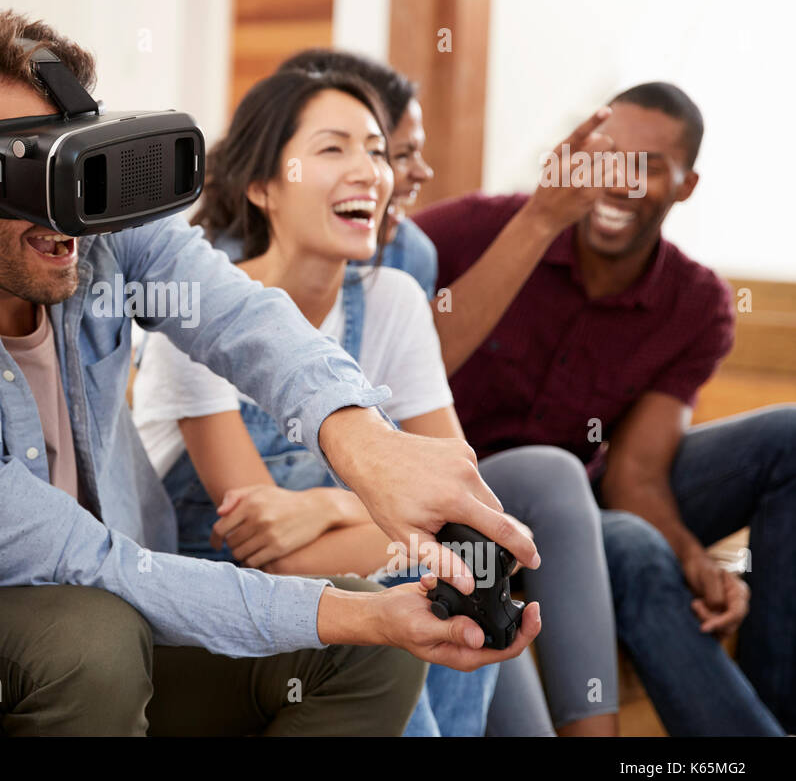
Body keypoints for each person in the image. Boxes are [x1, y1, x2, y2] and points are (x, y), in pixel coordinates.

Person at [0, 8, 540, 736]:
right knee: (90, 637)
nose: (69, 216)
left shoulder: (84, 227)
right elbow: (91, 567)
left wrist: (366, 446)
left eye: (71, 154)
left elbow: (238, 316)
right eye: (26, 169)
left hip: (127, 614)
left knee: (372, 655)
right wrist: (356, 612)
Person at [132, 67, 618, 736]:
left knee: (454, 581)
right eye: (333, 149)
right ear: (262, 186)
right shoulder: (194, 323)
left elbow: (461, 495)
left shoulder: (393, 300)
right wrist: (425, 535)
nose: (370, 171)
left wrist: (330, 505)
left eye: (377, 151)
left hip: (363, 566)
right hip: (226, 602)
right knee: (433, 576)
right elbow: (264, 547)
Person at [413, 81, 791, 735]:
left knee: (786, 437)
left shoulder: (695, 304)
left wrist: (697, 559)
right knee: (634, 546)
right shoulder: (476, 230)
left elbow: (635, 474)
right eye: (605, 157)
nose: (618, 182)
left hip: (578, 506)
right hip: (454, 505)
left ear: (686, 185)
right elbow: (375, 329)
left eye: (646, 166)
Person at [277, 49, 438, 298]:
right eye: (402, 154)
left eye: (376, 151)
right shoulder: (221, 270)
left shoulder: (410, 256)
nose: (424, 173)